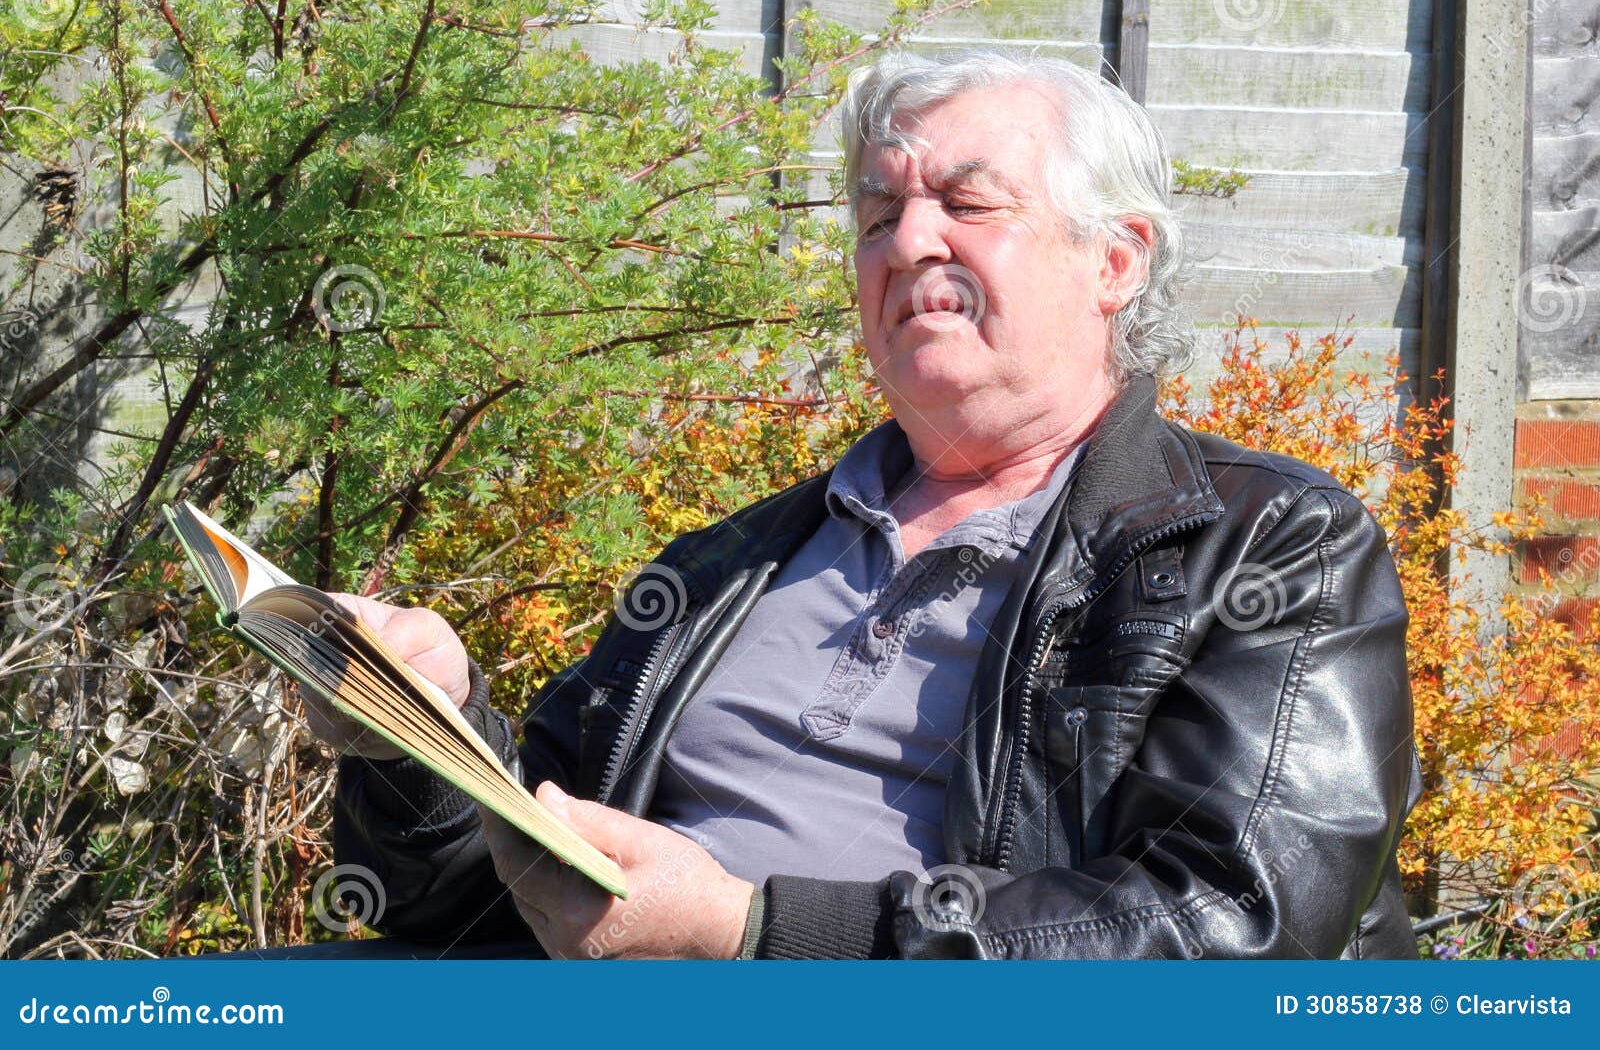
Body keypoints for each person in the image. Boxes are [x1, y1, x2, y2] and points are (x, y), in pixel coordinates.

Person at [305, 48, 1421, 959]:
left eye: (966, 202)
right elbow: (467, 910)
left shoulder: (1267, 544)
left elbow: (1230, 926)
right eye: (878, 213)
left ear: (1115, 260)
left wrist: (758, 936)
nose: (908, 241)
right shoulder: (724, 568)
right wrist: (419, 730)